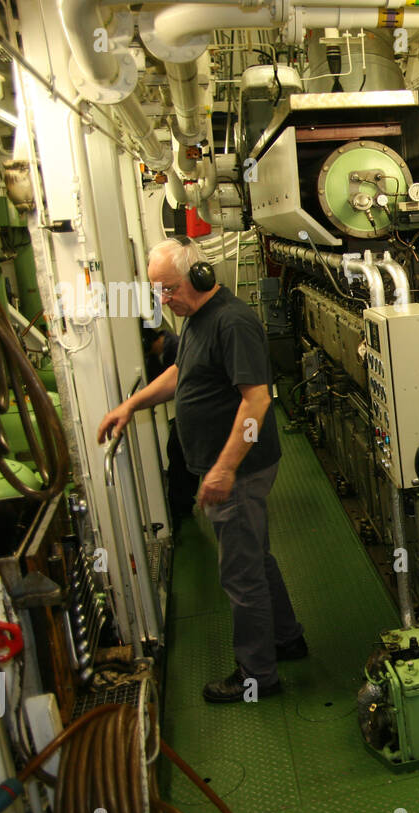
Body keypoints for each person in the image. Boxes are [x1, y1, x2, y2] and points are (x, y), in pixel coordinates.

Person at [98, 237, 307, 702]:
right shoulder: (196, 319)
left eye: (169, 289)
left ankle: (257, 676)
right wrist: (131, 405)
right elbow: (181, 374)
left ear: (200, 276)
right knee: (256, 557)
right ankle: (286, 637)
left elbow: (258, 400)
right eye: (157, 292)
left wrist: (224, 469)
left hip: (240, 470)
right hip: (228, 468)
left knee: (240, 574)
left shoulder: (232, 323)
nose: (164, 300)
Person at [141, 323, 198, 529]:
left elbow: (174, 382)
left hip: (195, 408)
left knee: (179, 451)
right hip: (186, 409)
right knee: (176, 451)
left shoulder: (176, 347)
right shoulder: (158, 354)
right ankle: (181, 502)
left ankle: (181, 503)